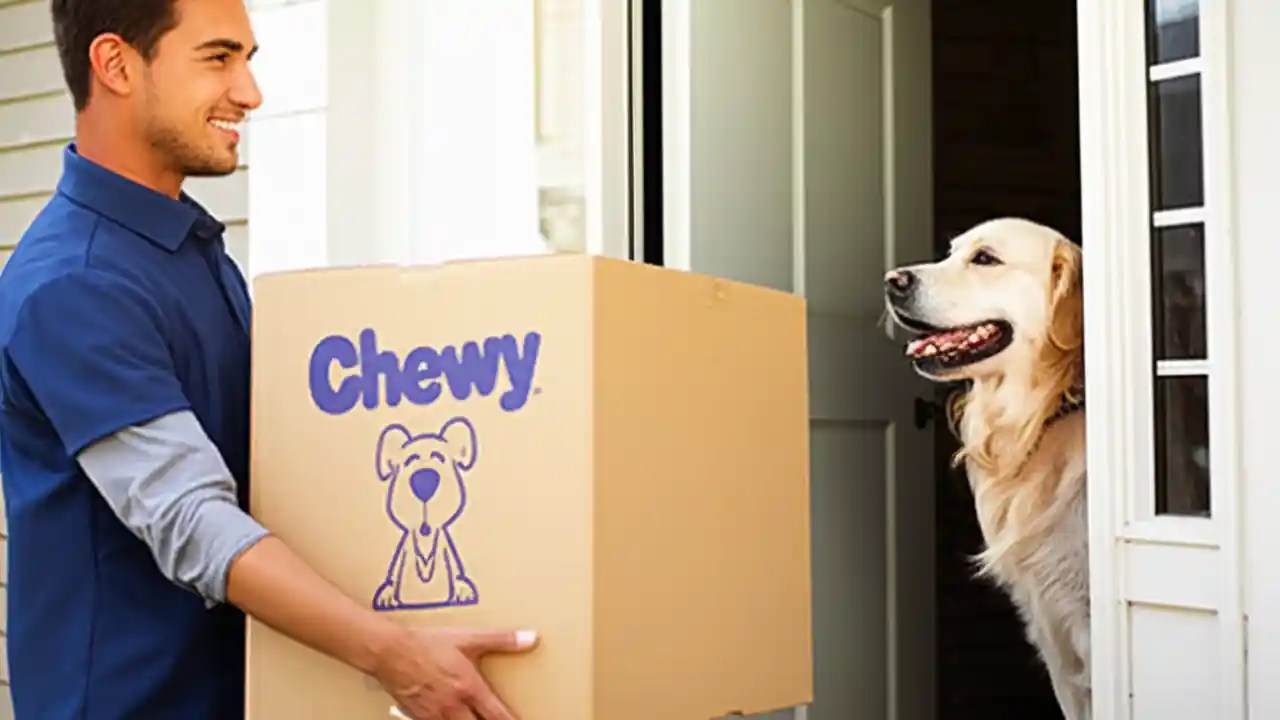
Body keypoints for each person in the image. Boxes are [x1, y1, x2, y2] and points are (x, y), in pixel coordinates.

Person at [0, 1, 537, 718]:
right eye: (218, 58)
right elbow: (191, 517)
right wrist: (398, 657)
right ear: (116, 65)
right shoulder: (75, 283)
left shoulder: (184, 250)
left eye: (247, 60)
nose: (250, 92)